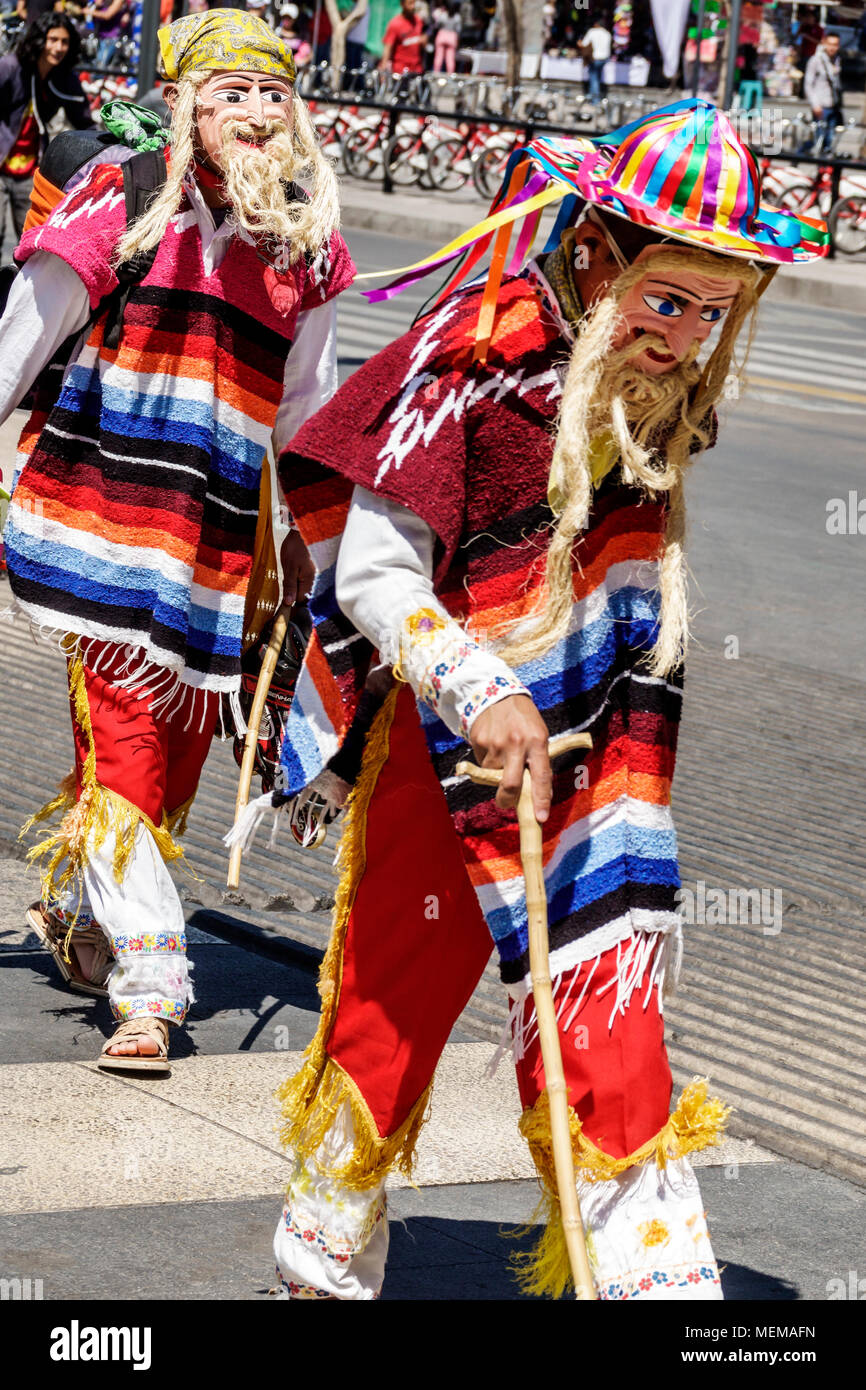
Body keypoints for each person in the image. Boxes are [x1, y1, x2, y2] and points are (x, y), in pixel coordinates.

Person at [264, 99, 827, 1300]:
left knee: (605, 994)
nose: (681, 337)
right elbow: (370, 565)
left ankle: (657, 1287)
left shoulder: (647, 384)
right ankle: (319, 1253)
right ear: (591, 252)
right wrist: (478, 692)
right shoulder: (466, 353)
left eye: (712, 312)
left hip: (604, 746)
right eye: (666, 299)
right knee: (390, 991)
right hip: (447, 735)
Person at [0, 7, 354, 1074]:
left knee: (176, 765)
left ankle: (79, 903)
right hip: (100, 532)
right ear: (184, 104)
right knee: (127, 754)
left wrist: (320, 555)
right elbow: (22, 334)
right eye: (228, 94)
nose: (251, 114)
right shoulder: (123, 200)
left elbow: (307, 415)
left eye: (269, 94)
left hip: (217, 563)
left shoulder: (307, 248)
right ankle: (152, 989)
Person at [0, 12, 92, 265]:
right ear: (39, 39)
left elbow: (84, 119)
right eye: (53, 39)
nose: (59, 47)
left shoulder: (64, 79)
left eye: (64, 41)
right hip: (2, 166)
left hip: (30, 171)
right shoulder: (9, 67)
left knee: (29, 242)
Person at [804, 30, 842, 156]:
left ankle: (824, 169)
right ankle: (799, 157)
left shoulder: (837, 60)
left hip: (833, 106)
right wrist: (815, 104)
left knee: (829, 141)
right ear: (824, 43)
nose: (832, 47)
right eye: (830, 44)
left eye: (835, 44)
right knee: (818, 139)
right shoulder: (815, 60)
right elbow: (808, 84)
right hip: (821, 106)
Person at [380, 0, 426, 80]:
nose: (413, 6)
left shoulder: (418, 21)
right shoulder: (395, 23)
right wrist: (383, 71)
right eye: (410, 3)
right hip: (400, 72)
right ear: (402, 4)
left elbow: (423, 42)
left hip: (417, 70)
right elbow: (388, 48)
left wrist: (424, 41)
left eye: (414, 3)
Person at [85, 0, 132, 69]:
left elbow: (107, 15)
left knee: (101, 67)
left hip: (112, 39)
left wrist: (88, 11)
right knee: (95, 65)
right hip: (100, 37)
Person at [580, 15, 612, 105]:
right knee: (597, 77)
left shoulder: (592, 31)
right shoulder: (607, 33)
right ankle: (593, 96)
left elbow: (584, 43)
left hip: (595, 58)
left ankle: (595, 100)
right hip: (604, 58)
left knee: (594, 78)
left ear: (596, 24)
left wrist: (579, 44)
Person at [431, 0, 460, 74]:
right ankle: (450, 74)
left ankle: (436, 73)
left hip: (442, 35)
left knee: (439, 57)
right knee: (450, 58)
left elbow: (437, 25)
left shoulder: (443, 14)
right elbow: (458, 29)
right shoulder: (457, 17)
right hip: (452, 37)